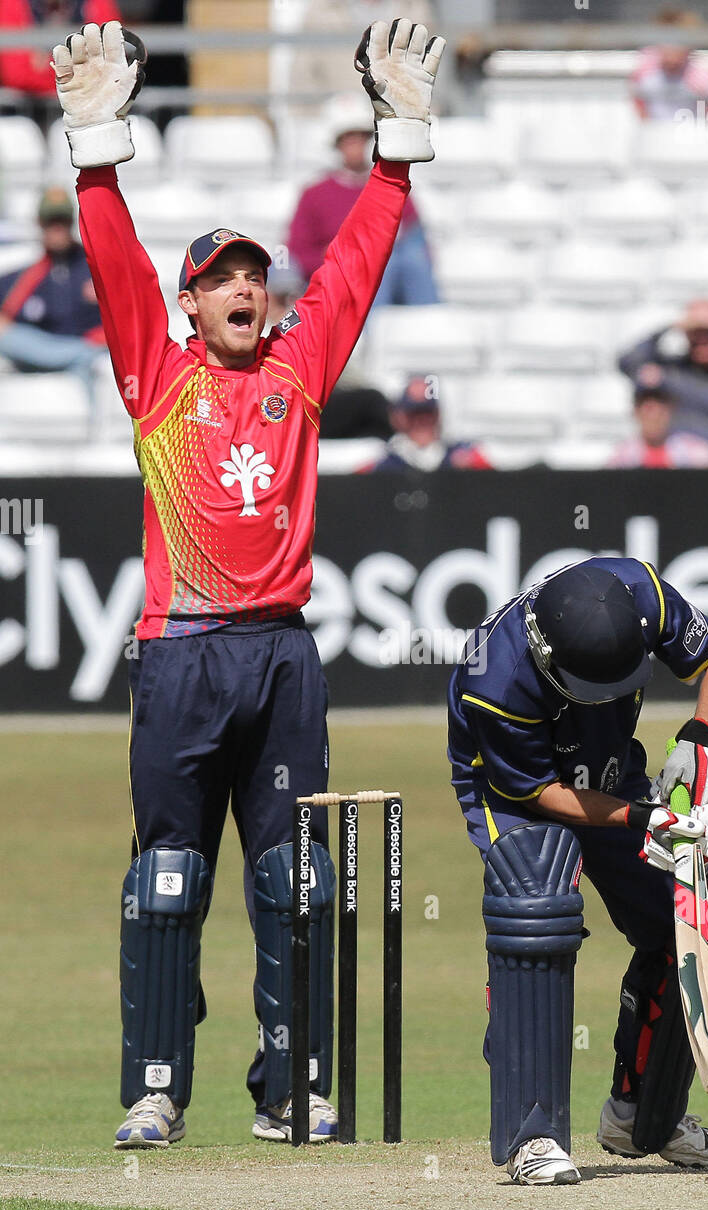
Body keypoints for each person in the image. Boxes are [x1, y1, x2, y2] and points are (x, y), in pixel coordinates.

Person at [51, 18, 444, 1148]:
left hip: (279, 652)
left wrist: (392, 153)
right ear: (187, 306)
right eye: (219, 279)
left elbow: (360, 264)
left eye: (253, 277)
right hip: (181, 652)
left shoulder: (299, 368)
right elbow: (115, 259)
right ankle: (156, 1084)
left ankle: (292, 1084)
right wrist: (93, 147)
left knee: (297, 882)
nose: (241, 290)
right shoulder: (155, 371)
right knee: (168, 878)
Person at [447, 557, 708, 1184]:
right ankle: (532, 1134)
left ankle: (643, 1118)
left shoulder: (640, 594)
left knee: (693, 920)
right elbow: (538, 793)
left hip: (611, 769)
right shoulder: (494, 678)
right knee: (540, 916)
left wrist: (698, 732)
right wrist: (645, 818)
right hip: (515, 793)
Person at [287, 92, 438, 309]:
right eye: (349, 139)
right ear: (337, 144)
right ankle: (372, 336)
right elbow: (298, 252)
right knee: (377, 262)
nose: (356, 145)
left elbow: (419, 243)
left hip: (393, 272)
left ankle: (430, 330)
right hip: (342, 279)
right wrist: (335, 257)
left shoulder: (393, 186)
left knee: (407, 258)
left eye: (361, 137)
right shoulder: (314, 194)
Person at [618, 298, 708, 462]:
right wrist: (670, 327)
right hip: (678, 469)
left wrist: (672, 384)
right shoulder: (672, 370)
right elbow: (627, 361)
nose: (704, 338)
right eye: (696, 332)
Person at [0, 186, 107, 391]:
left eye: (62, 221)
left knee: (96, 366)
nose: (57, 228)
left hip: (92, 359)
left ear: (72, 223)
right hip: (41, 359)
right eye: (51, 222)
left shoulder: (98, 268)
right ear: (40, 224)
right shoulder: (29, 276)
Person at [361, 373, 493, 472]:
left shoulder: (463, 455)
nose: (421, 421)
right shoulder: (386, 463)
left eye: (427, 413)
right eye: (413, 414)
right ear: (399, 417)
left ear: (438, 414)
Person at [630, 6, 708, 137]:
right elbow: (638, 100)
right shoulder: (645, 69)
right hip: (656, 139)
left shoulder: (704, 73)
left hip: (693, 140)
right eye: (665, 42)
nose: (670, 49)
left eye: (677, 43)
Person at [0, 0, 119, 99]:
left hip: (90, 104)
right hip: (25, 107)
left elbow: (105, 69)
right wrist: (78, 71)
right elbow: (16, 75)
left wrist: (46, 64)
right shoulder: (13, 3)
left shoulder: (97, 3)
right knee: (16, 127)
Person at [608, 382, 708, 469]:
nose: (654, 415)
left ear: (671, 410)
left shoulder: (698, 453)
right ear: (636, 412)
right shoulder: (622, 457)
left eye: (661, 408)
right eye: (648, 409)